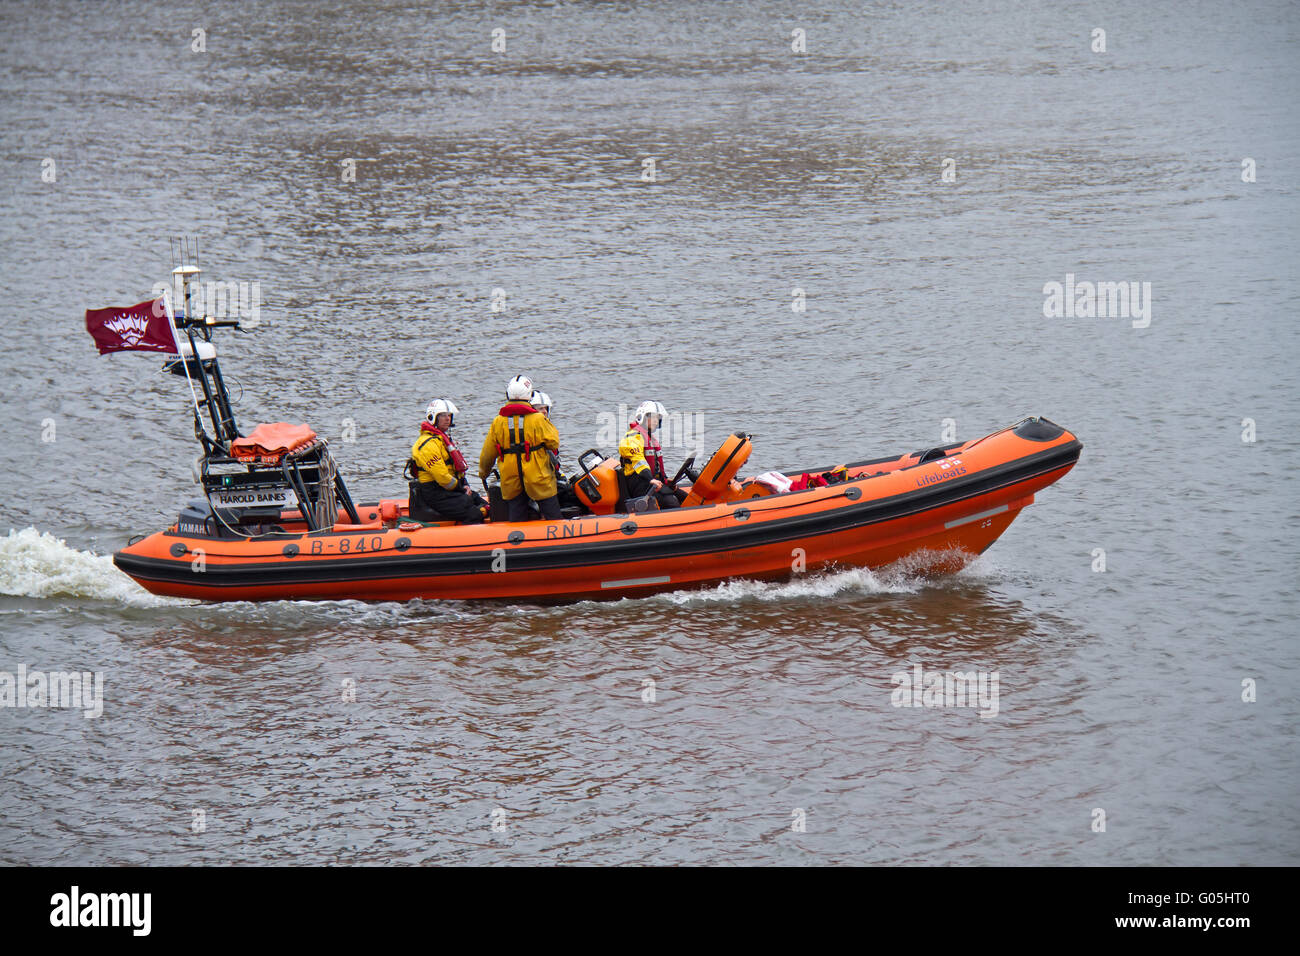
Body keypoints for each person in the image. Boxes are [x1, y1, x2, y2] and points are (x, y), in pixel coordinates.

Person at [479, 375, 562, 521]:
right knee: (552, 515)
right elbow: (553, 442)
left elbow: (487, 454)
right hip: (538, 477)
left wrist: (483, 473)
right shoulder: (538, 419)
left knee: (517, 515)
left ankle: (517, 540)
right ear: (529, 395)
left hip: (511, 479)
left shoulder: (498, 422)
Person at [409, 399, 488, 523]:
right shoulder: (427, 445)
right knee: (473, 513)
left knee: (480, 501)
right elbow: (442, 477)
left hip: (448, 490)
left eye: (449, 415)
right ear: (433, 417)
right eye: (443, 415)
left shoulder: (443, 440)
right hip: (435, 493)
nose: (447, 419)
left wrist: (465, 484)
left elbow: (457, 469)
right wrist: (462, 490)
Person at [619, 400, 685, 509]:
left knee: (681, 495)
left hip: (649, 482)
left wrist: (664, 479)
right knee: (671, 502)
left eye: (658, 418)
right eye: (654, 417)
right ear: (643, 417)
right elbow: (639, 461)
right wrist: (651, 479)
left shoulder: (648, 437)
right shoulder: (633, 437)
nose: (656, 421)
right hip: (639, 484)